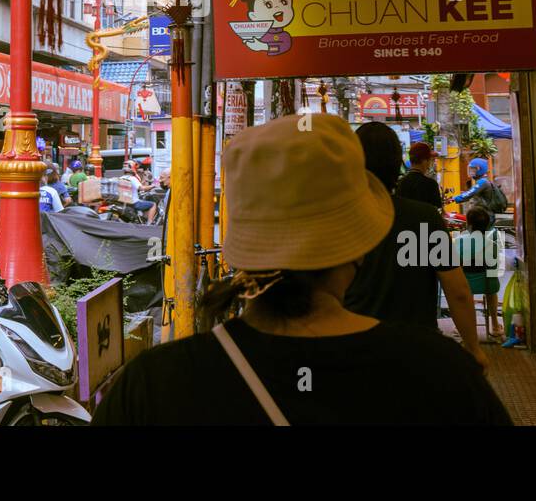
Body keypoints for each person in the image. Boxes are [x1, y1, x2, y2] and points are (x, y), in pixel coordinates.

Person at [92, 114, 511, 425]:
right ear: (358, 246)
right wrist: (473, 349)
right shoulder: (440, 375)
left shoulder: (152, 385)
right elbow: (456, 289)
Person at [345, 122, 486, 367]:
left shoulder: (336, 221)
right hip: (418, 351)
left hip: (354, 350)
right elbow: (458, 291)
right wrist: (473, 348)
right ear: (397, 165)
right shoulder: (427, 219)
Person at [458, 206, 505, 341]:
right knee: (491, 291)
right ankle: (495, 325)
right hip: (489, 284)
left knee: (466, 289)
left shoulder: (462, 240)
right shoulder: (493, 239)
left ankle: (464, 326)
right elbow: (494, 263)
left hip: (468, 285)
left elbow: (458, 263)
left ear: (469, 224)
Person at [396, 142, 444, 210]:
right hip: (425, 221)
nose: (430, 163)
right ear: (424, 161)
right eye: (430, 160)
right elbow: (437, 212)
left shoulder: (400, 183)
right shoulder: (430, 184)